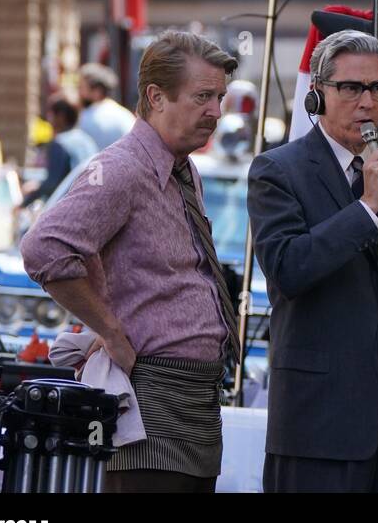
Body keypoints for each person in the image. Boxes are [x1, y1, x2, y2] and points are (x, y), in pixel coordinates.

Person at [22, 31, 241, 493]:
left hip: (194, 404)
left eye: (220, 97)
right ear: (156, 97)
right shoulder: (124, 168)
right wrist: (109, 329)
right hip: (149, 401)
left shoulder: (183, 167)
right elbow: (44, 248)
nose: (216, 112)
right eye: (203, 97)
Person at [247, 31, 378, 492]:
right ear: (317, 95)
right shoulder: (278, 171)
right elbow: (288, 270)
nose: (366, 101)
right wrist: (366, 207)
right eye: (350, 88)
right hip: (319, 426)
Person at [22, 93, 97, 205]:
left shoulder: (60, 144)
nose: (48, 120)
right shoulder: (87, 141)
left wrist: (25, 202)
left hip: (69, 207)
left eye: (50, 114)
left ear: (60, 116)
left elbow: (52, 184)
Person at [78, 62, 136, 150]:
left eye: (82, 88)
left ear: (97, 91)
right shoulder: (125, 115)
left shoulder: (86, 118)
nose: (79, 93)